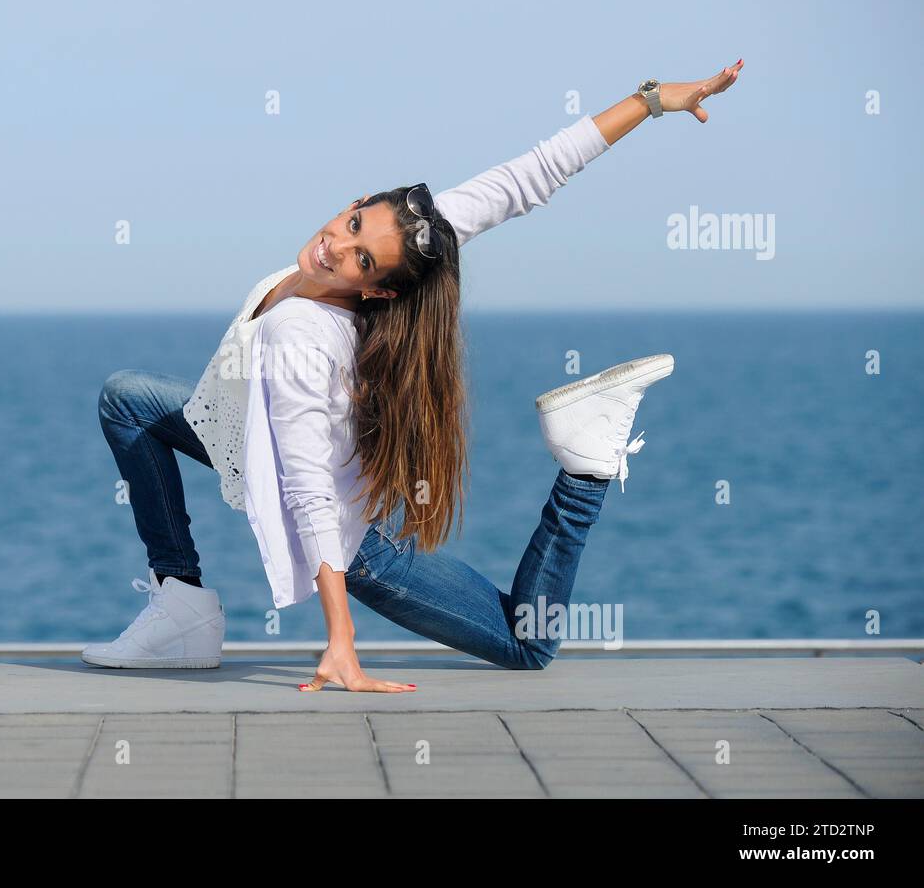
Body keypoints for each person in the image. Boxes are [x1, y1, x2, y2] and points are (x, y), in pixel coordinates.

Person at [85, 62, 744, 692]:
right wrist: (652, 101)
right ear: (358, 202)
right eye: (350, 226)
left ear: (375, 291)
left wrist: (340, 637)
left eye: (358, 258)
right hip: (240, 435)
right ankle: (182, 602)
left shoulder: (303, 336)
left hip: (355, 540)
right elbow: (528, 178)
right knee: (129, 401)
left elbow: (311, 488)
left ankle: (585, 468)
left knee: (526, 642)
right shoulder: (408, 240)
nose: (335, 248)